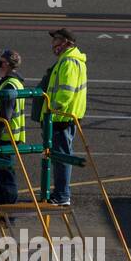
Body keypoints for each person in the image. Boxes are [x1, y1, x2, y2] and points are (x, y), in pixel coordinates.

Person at [44, 28, 87, 206]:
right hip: (65, 117)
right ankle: (61, 193)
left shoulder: (68, 62)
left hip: (61, 118)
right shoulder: (69, 60)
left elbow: (65, 92)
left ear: (67, 43)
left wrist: (52, 111)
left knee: (61, 157)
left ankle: (62, 195)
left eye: (56, 40)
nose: (53, 44)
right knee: (60, 156)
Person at [0, 48, 27, 203]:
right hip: (10, 135)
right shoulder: (14, 82)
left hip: (6, 136)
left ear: (5, 63)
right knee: (1, 173)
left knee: (5, 174)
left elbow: (5, 114)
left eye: (0, 60)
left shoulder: (9, 85)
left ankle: (7, 211)